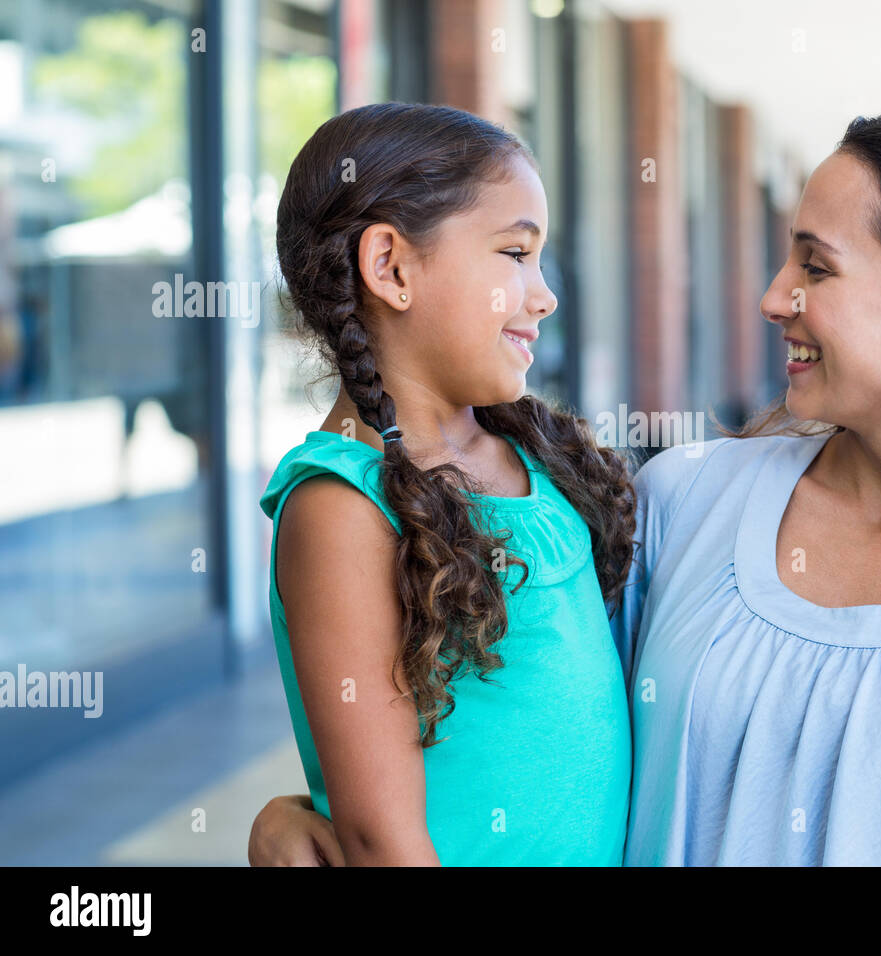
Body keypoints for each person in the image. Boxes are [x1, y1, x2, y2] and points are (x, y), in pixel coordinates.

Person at [251, 105, 881, 867]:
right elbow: (520, 713)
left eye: (816, 266)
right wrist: (300, 811)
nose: (770, 295)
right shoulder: (685, 503)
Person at [255, 102, 635, 865]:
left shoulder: (535, 454)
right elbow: (379, 838)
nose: (543, 294)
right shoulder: (342, 505)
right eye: (515, 254)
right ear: (391, 267)